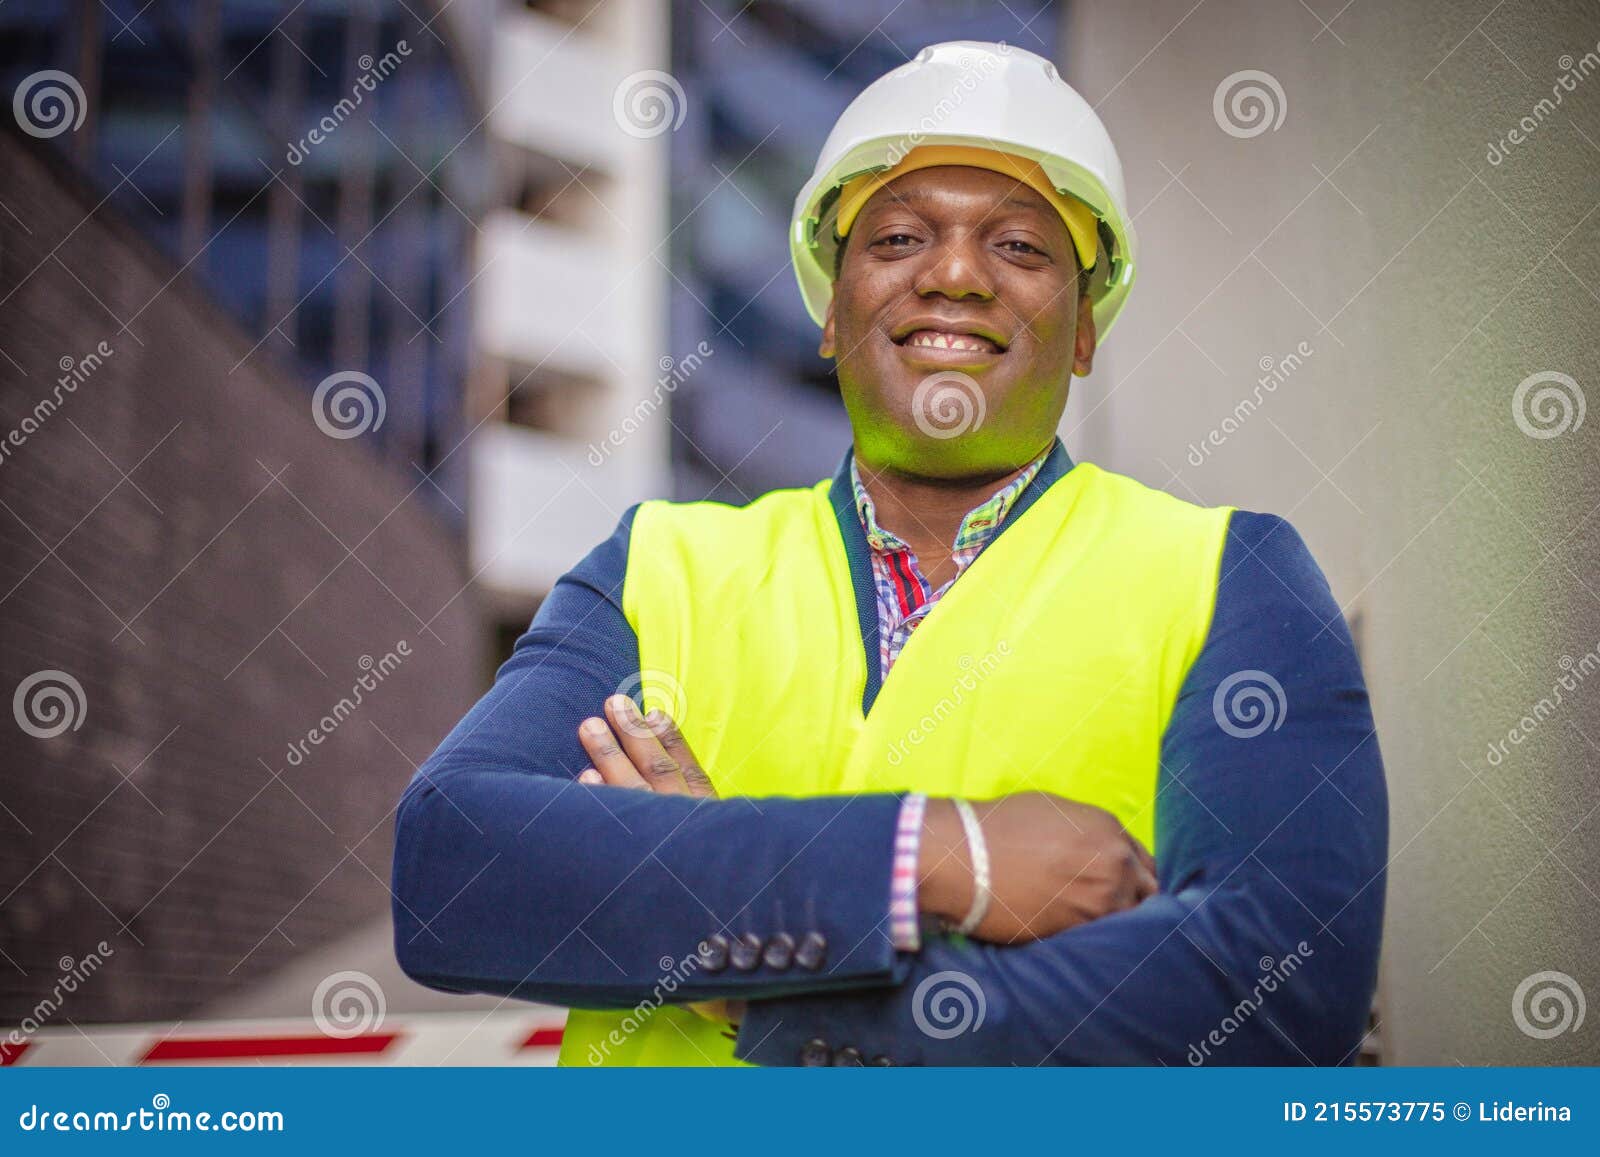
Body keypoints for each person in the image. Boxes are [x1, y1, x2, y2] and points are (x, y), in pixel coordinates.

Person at [391, 41, 1388, 1066]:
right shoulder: (660, 565)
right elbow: (450, 868)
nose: (953, 274)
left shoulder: (1227, 575)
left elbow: (1280, 988)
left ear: (1085, 328)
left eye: (1019, 247)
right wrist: (942, 856)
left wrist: (762, 982)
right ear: (832, 310)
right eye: (901, 236)